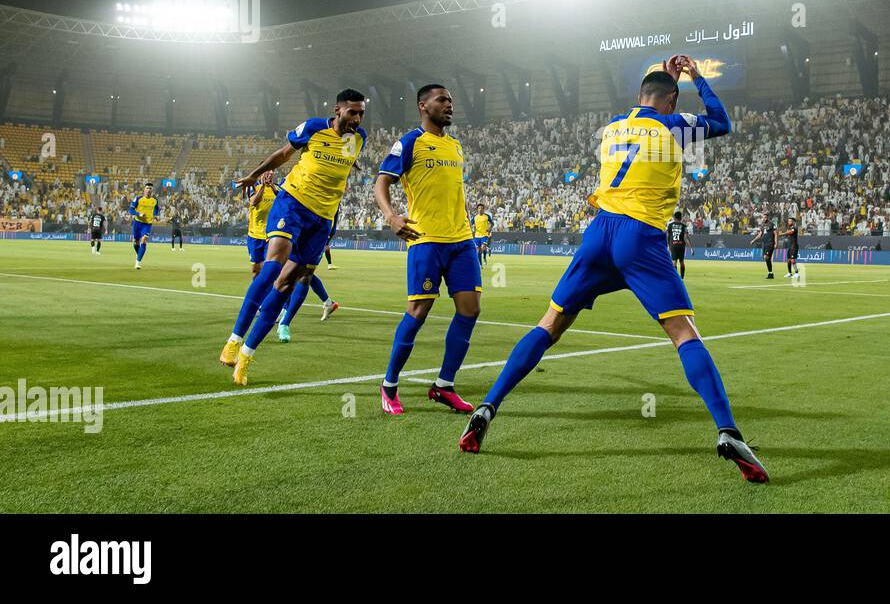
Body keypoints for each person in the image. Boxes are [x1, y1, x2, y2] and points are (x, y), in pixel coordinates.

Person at [458, 55, 768, 483]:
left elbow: (647, 110)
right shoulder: (674, 126)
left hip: (599, 233)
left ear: (638, 96)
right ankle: (728, 430)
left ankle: (488, 405)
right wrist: (696, 78)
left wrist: (666, 80)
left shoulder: (613, 127)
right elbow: (722, 121)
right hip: (640, 237)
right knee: (684, 333)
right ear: (672, 100)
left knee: (548, 325)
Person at [218, 89, 367, 385]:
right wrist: (254, 174)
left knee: (286, 284)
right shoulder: (312, 127)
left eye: (361, 113)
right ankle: (234, 339)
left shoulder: (357, 138)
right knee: (273, 265)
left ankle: (246, 355)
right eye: (352, 112)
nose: (357, 118)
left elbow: (344, 165)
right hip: (293, 202)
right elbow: (283, 154)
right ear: (338, 110)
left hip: (322, 218)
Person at [374, 83, 481, 415]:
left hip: (461, 240)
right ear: (423, 105)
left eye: (451, 100)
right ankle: (389, 385)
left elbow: (456, 193)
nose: (449, 104)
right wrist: (391, 215)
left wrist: (469, 227)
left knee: (470, 309)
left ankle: (444, 385)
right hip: (426, 239)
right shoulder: (409, 143)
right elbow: (381, 181)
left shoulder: (457, 147)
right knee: (418, 312)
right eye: (442, 100)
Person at [245, 171, 277, 277]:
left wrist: (272, 187)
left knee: (267, 269)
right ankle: (257, 293)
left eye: (272, 171)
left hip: (270, 236)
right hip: (254, 235)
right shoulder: (253, 187)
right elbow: (254, 201)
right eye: (267, 171)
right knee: (256, 270)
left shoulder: (277, 189)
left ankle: (267, 292)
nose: (270, 174)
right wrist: (263, 186)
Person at [128, 183, 158, 270]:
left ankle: (137, 262)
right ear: (144, 190)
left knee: (144, 240)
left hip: (147, 224)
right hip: (137, 223)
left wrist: (155, 215)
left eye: (150, 188)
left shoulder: (154, 200)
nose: (149, 190)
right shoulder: (138, 199)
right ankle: (139, 254)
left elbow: (156, 208)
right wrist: (139, 214)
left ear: (152, 190)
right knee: (135, 242)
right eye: (147, 188)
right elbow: (131, 210)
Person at [749, 214, 776, 278]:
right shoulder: (762, 225)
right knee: (765, 257)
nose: (764, 218)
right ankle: (770, 273)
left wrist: (776, 243)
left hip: (770, 243)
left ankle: (770, 273)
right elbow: (760, 235)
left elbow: (776, 233)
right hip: (764, 243)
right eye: (763, 217)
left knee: (766, 257)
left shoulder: (771, 224)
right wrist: (753, 240)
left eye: (765, 217)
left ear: (767, 218)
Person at [667, 210, 691, 278]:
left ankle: (675, 277)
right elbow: (686, 237)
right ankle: (682, 277)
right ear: (680, 217)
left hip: (673, 245)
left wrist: (669, 245)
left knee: (674, 262)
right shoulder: (684, 226)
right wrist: (691, 248)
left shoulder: (670, 225)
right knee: (682, 262)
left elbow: (668, 236)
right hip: (681, 245)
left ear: (674, 217)